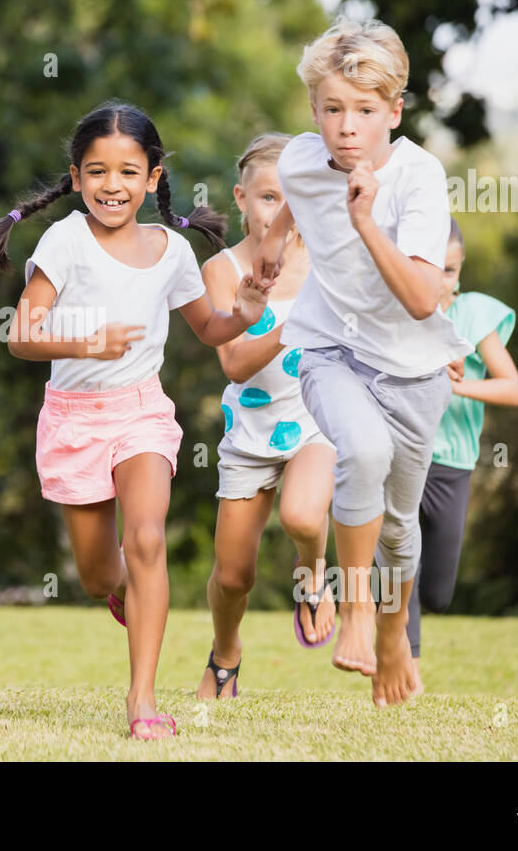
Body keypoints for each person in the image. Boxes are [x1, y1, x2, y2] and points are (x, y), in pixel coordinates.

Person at [0, 100, 268, 738]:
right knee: (101, 573)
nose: (114, 186)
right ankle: (118, 591)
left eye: (129, 172)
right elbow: (21, 336)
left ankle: (142, 703)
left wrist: (244, 310)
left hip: (141, 413)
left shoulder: (171, 252)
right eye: (98, 172)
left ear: (154, 178)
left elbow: (211, 328)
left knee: (148, 541)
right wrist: (85, 343)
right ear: (76, 179)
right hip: (75, 420)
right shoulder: (65, 240)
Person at [251, 17, 472, 708]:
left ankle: (392, 635)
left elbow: (422, 298)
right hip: (330, 350)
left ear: (395, 111)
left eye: (366, 111)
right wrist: (275, 243)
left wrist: (366, 221)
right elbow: (294, 193)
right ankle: (351, 610)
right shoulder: (299, 159)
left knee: (400, 524)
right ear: (314, 110)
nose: (347, 127)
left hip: (414, 369)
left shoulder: (419, 178)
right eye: (332, 109)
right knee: (363, 453)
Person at [195, 133, 337, 701]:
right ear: (241, 198)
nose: (281, 213)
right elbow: (234, 365)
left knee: (304, 517)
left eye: (296, 197)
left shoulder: (330, 263)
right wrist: (290, 325)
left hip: (315, 420)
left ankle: (313, 576)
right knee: (234, 576)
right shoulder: (223, 271)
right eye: (268, 198)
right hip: (249, 432)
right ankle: (225, 655)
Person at [376, 218, 518, 683]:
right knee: (404, 562)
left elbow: (514, 390)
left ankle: (404, 643)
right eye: (430, 267)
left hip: (452, 466)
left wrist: (455, 386)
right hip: (399, 456)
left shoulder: (474, 314)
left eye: (450, 269)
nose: (440, 281)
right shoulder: (389, 310)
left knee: (438, 591)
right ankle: (407, 667)